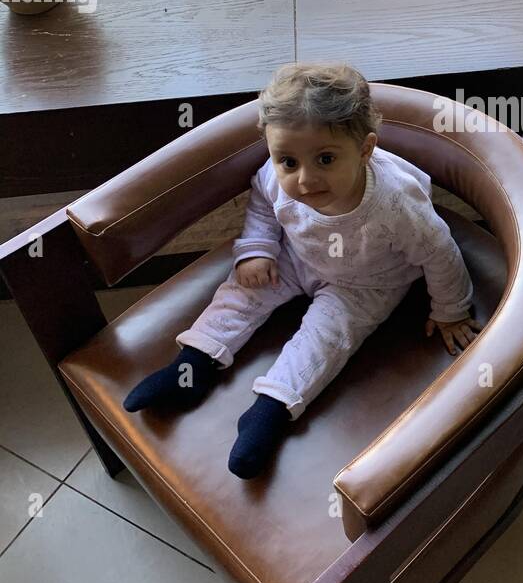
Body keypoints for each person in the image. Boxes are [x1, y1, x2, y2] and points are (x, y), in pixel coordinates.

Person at [123, 61, 481, 478]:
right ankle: (193, 365)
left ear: (365, 150)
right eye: (288, 161)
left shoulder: (394, 203)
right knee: (240, 292)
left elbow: (439, 252)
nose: (306, 179)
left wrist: (450, 309)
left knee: (325, 339)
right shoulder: (279, 176)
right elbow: (261, 199)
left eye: (326, 159)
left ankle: (270, 408)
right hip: (296, 256)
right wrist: (257, 248)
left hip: (365, 282)